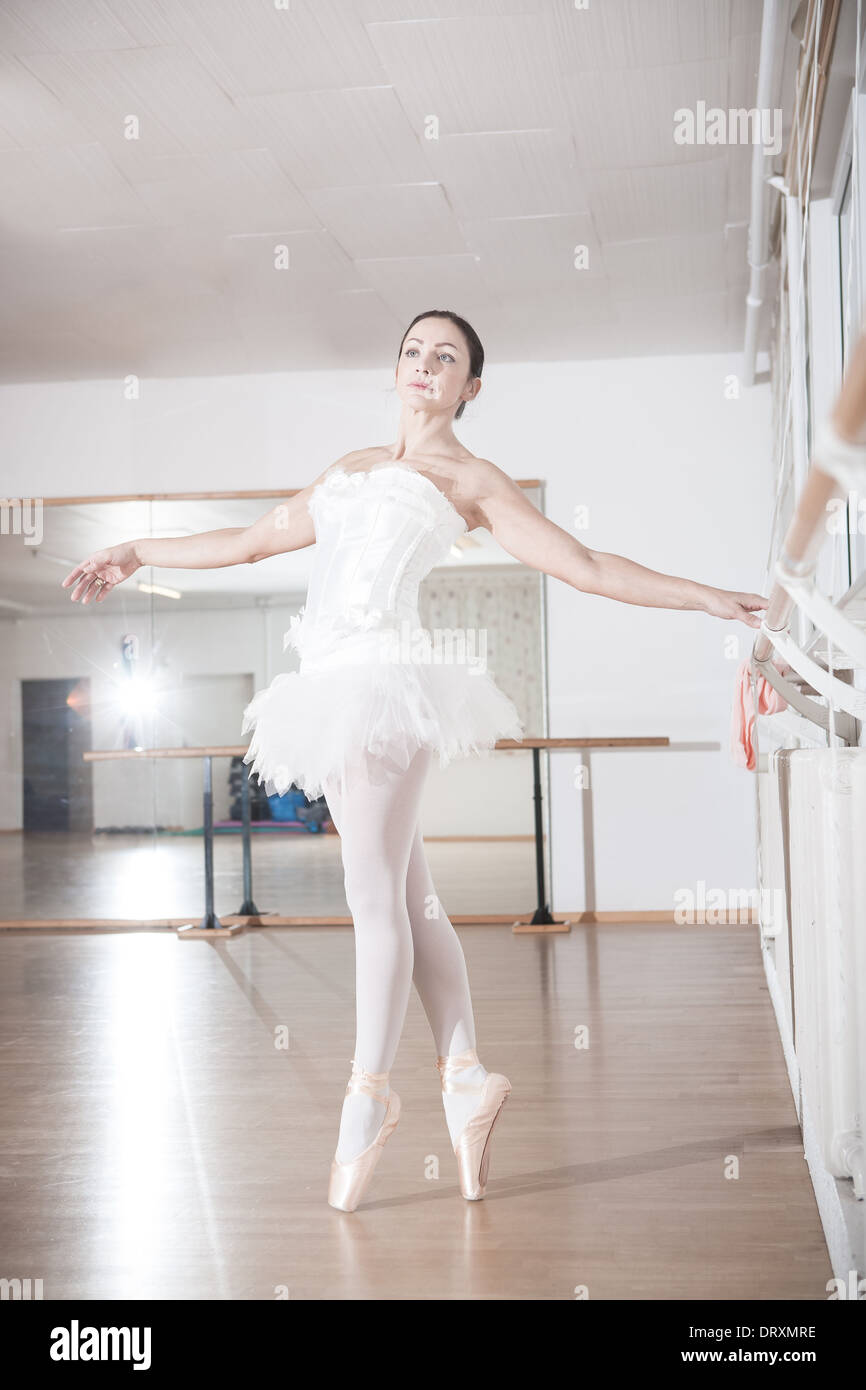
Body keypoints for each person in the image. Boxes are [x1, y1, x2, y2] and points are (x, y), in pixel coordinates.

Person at [62, 310, 769, 1212]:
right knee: (408, 895)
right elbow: (244, 541)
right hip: (325, 690)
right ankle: (466, 1073)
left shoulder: (469, 479)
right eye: (413, 351)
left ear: (471, 387)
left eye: (447, 358)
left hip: (385, 691)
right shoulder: (351, 468)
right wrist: (136, 549)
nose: (425, 366)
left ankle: (368, 1094)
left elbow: (584, 565)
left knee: (372, 901)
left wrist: (706, 598)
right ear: (394, 369)